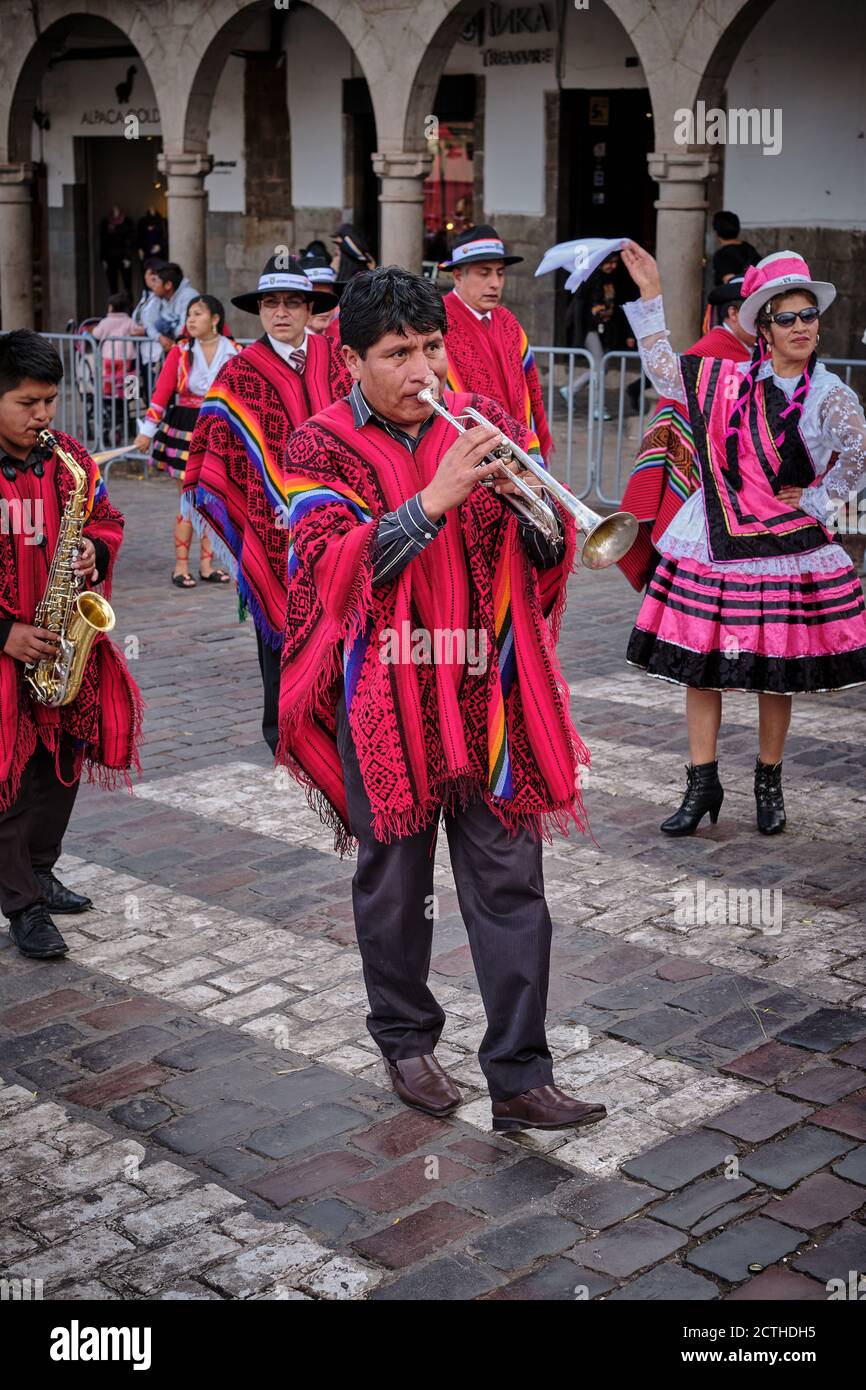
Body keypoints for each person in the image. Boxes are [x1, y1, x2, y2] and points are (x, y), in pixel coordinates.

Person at [276, 266, 606, 1134]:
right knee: (393, 885)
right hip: (384, 696)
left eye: (431, 347)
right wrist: (432, 501)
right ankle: (406, 1039)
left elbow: (544, 553)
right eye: (397, 354)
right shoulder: (316, 446)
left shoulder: (481, 420)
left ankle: (521, 1074)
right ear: (350, 359)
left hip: (488, 690)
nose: (422, 370)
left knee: (512, 884)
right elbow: (329, 572)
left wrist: (529, 505)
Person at [620, 242, 866, 835]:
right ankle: (702, 783)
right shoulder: (725, 380)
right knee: (699, 665)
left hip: (783, 547)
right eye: (789, 317)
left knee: (771, 666)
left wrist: (816, 498)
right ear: (764, 328)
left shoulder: (829, 393)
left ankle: (768, 781)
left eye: (810, 316)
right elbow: (662, 372)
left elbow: (860, 451)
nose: (803, 326)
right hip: (717, 537)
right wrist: (652, 297)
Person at [0, 332, 142, 959]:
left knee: (58, 763)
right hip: (7, 650)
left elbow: (106, 518)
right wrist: (4, 634)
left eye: (51, 402)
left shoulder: (71, 461)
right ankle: (22, 905)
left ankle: (40, 866)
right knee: (4, 776)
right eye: (28, 403)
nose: (42, 417)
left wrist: (94, 548)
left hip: (63, 643)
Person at [184, 255, 349, 754]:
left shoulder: (339, 358)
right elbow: (212, 445)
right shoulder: (239, 372)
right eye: (272, 303)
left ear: (309, 306)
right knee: (275, 625)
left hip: (338, 518)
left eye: (293, 302)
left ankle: (339, 719)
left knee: (341, 616)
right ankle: (284, 732)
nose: (282, 312)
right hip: (270, 525)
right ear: (260, 309)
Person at [616, 277, 755, 591]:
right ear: (733, 313)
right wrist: (651, 293)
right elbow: (667, 380)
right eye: (756, 311)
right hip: (701, 477)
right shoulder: (711, 351)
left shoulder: (750, 354)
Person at [134, 294, 237, 588]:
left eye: (198, 314)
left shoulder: (234, 353)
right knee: (189, 499)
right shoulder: (179, 353)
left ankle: (207, 565)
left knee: (213, 499)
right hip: (186, 428)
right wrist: (146, 432)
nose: (190, 320)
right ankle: (181, 566)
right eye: (189, 315)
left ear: (215, 319)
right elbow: (161, 395)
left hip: (220, 428)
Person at [439, 224, 553, 461]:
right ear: (458, 275)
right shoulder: (438, 322)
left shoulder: (508, 321)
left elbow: (530, 389)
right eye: (484, 273)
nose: (495, 283)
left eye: (500, 273)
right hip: (462, 451)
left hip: (517, 446)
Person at [151, 263, 200, 352]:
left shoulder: (188, 295)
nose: (153, 285)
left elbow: (186, 327)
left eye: (156, 281)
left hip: (191, 349)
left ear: (168, 285)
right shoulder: (160, 298)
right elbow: (149, 322)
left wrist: (173, 341)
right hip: (178, 348)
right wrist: (159, 337)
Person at [300, 250, 343, 337]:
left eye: (329, 297)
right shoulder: (286, 343)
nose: (324, 306)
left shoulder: (344, 339)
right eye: (317, 297)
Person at [711, 211, 761, 285]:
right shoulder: (749, 248)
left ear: (716, 232)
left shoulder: (723, 255)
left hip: (739, 295)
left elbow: (732, 284)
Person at [99, 205, 134, 297]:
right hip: (110, 257)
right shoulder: (106, 223)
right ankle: (114, 307)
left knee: (127, 285)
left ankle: (129, 308)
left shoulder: (127, 222)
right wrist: (103, 259)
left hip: (123, 257)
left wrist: (128, 257)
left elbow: (129, 241)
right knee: (112, 285)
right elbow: (103, 241)